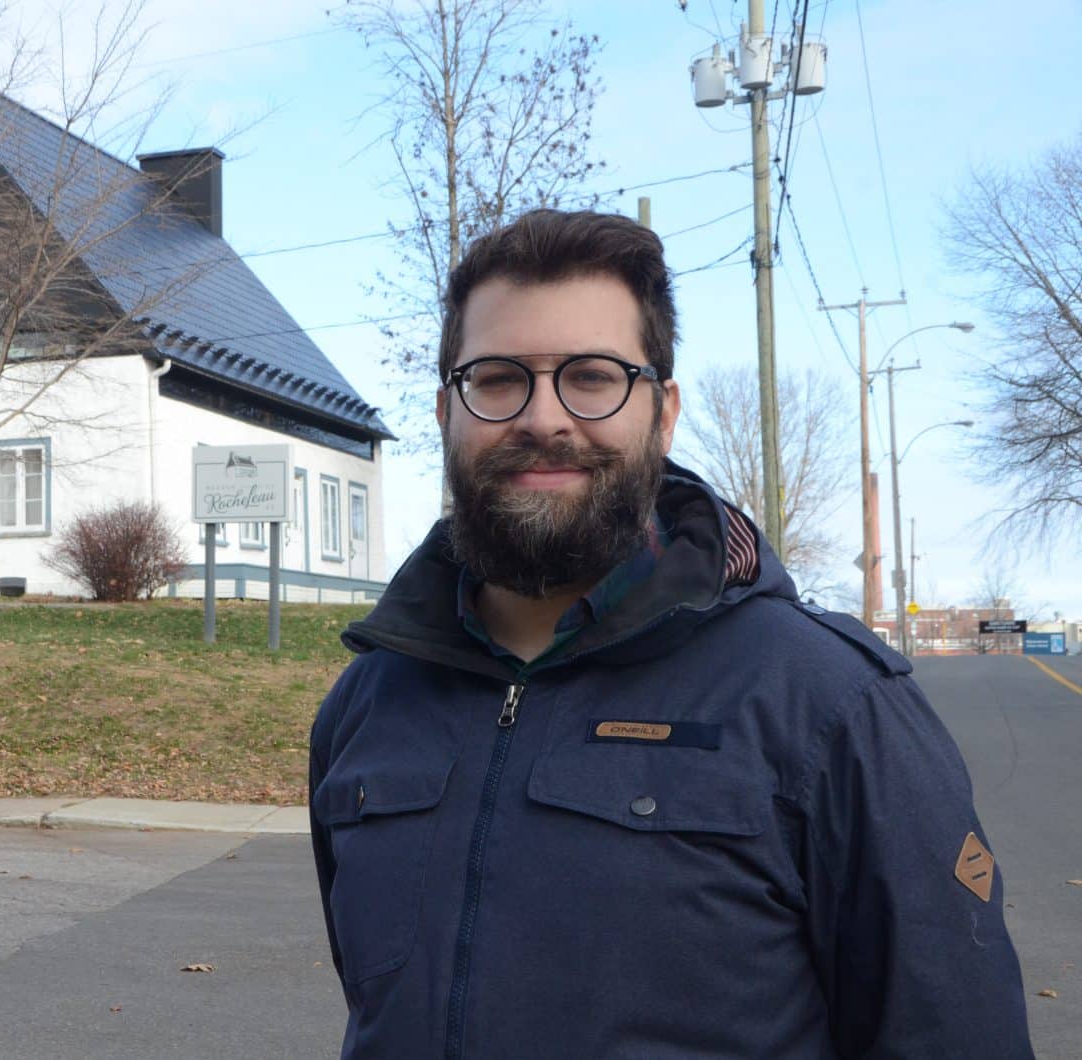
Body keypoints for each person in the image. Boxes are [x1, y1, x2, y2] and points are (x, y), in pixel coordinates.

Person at [308, 209, 1033, 1058]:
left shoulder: (829, 707)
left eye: (593, 376)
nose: (544, 417)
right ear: (445, 412)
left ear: (663, 412)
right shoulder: (366, 707)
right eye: (498, 378)